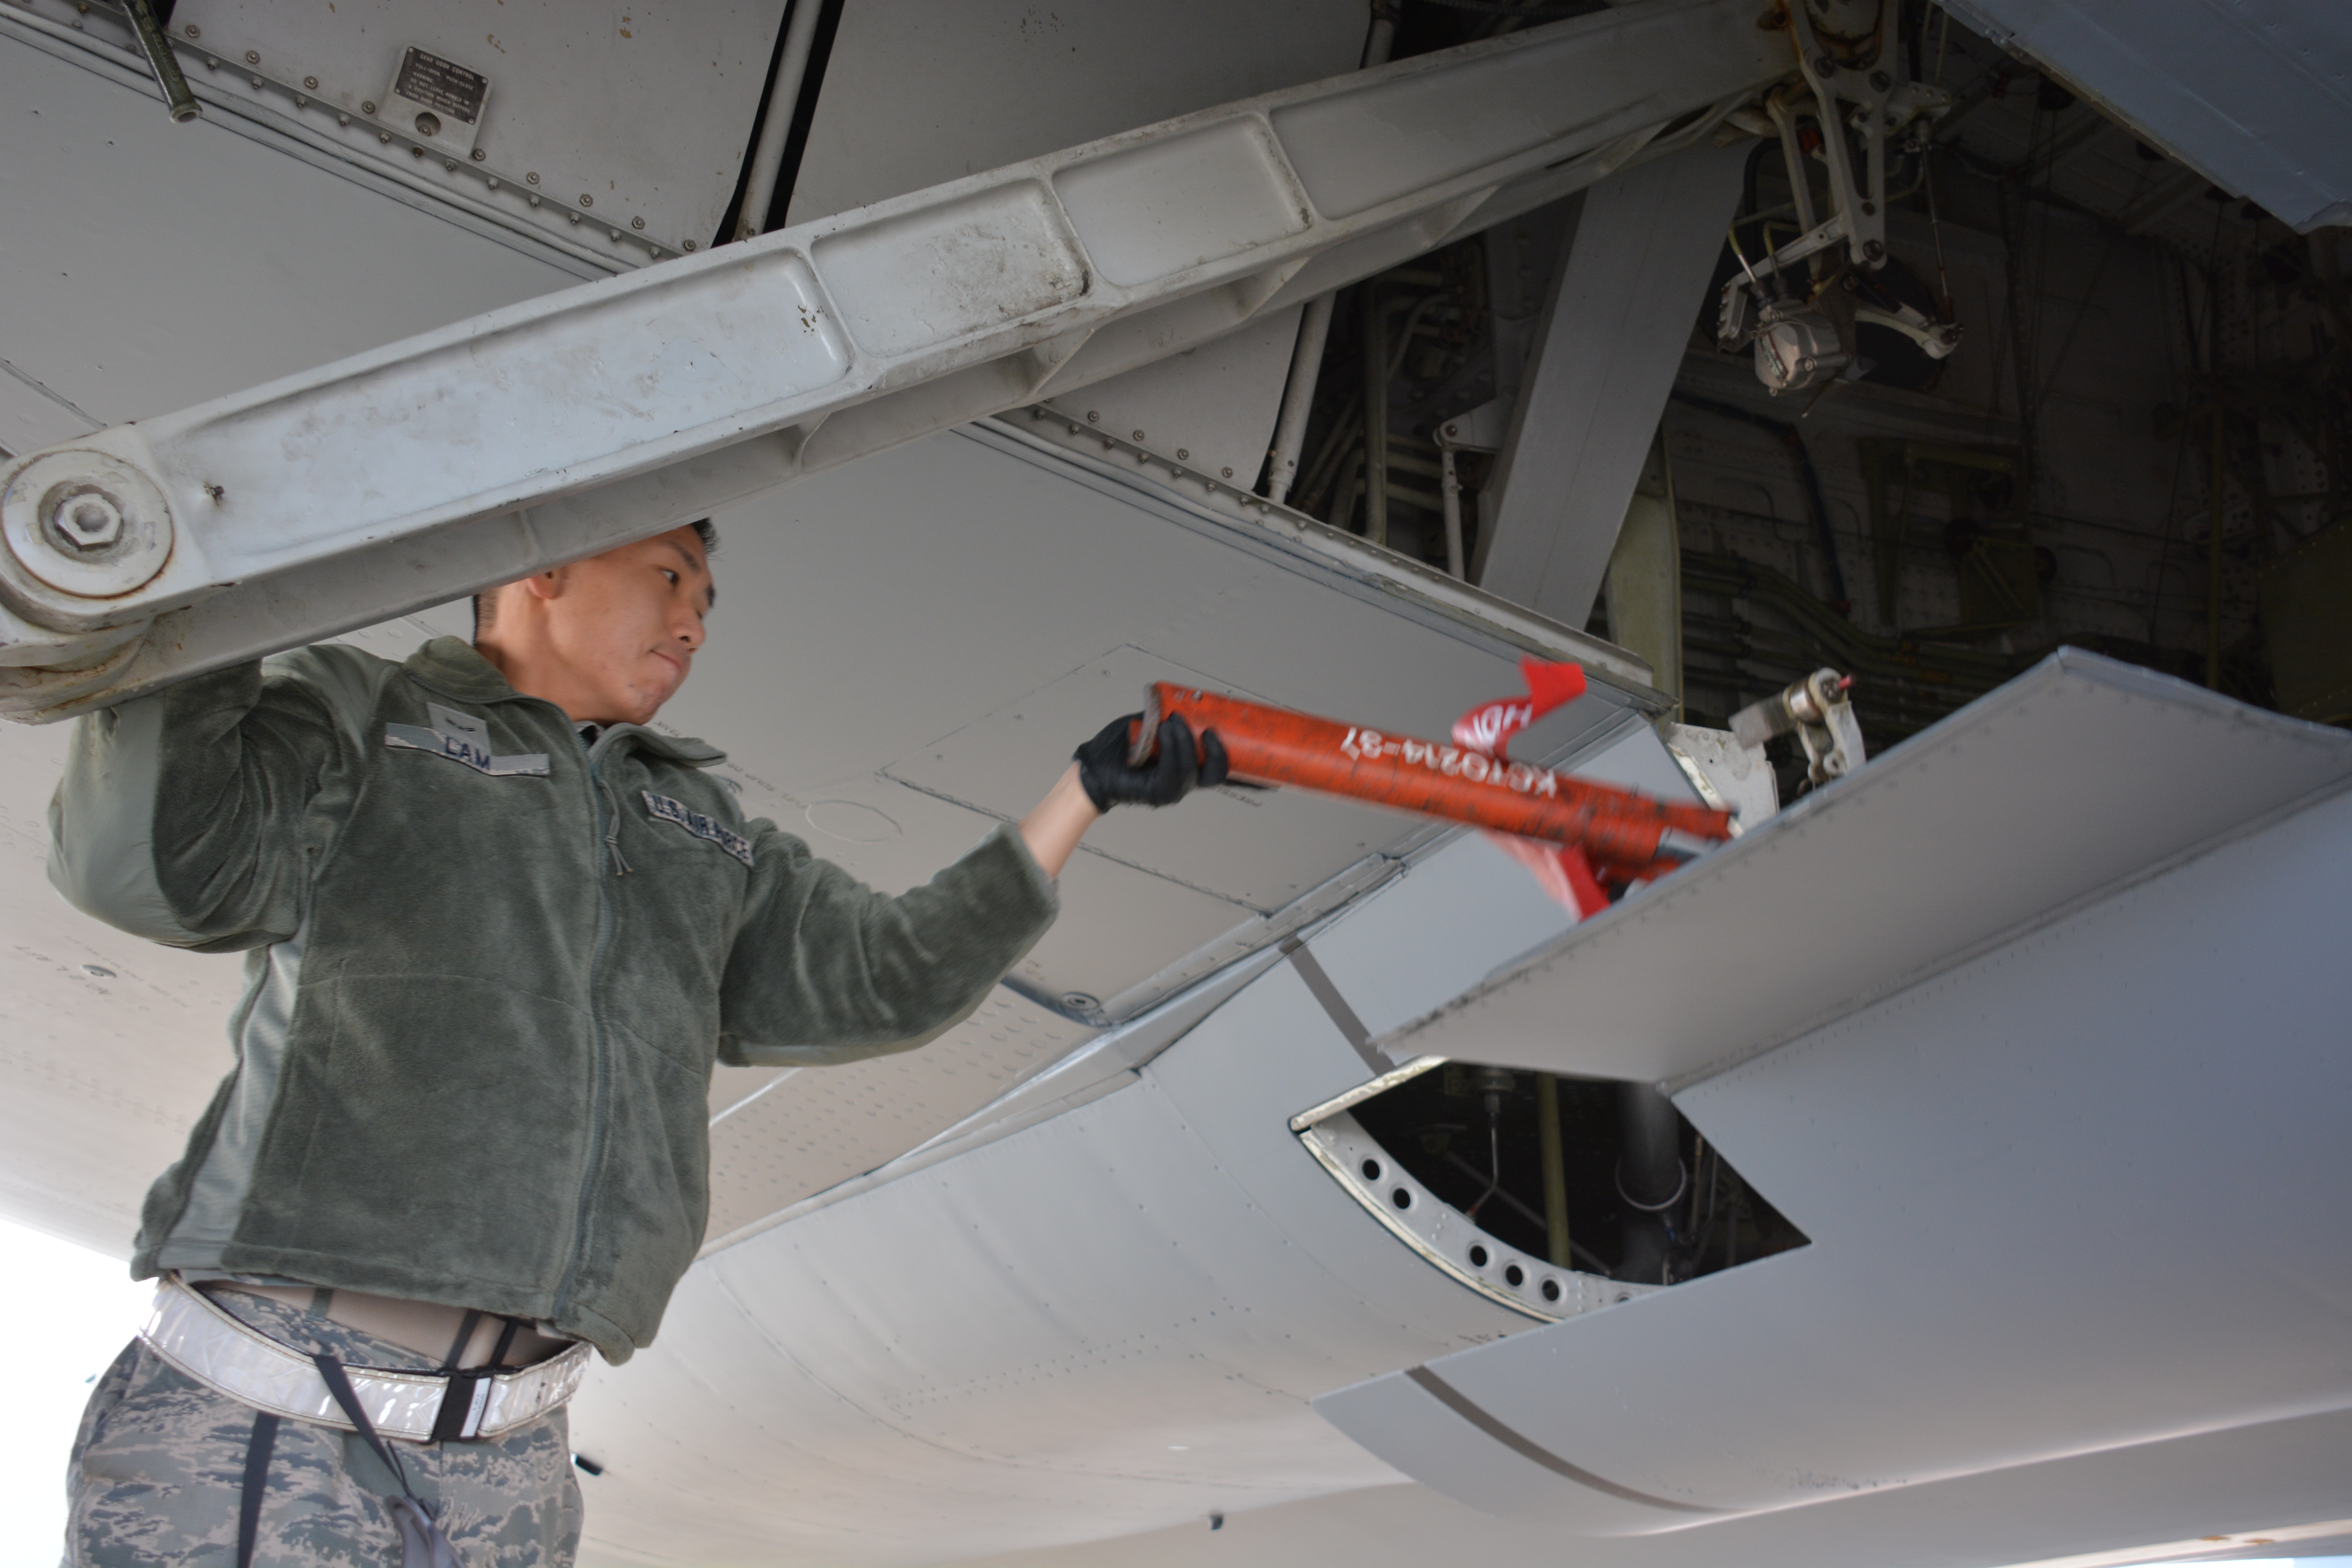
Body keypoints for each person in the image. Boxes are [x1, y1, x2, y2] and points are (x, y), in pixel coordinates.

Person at [48, 521, 1223, 1567]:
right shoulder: (371, 717)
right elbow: (163, 871)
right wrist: (182, 597)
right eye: (670, 575)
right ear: (541, 564)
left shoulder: (700, 823)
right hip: (278, 1420)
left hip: (511, 1466)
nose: (692, 622)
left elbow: (885, 978)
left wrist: (1083, 793)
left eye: (707, 603)